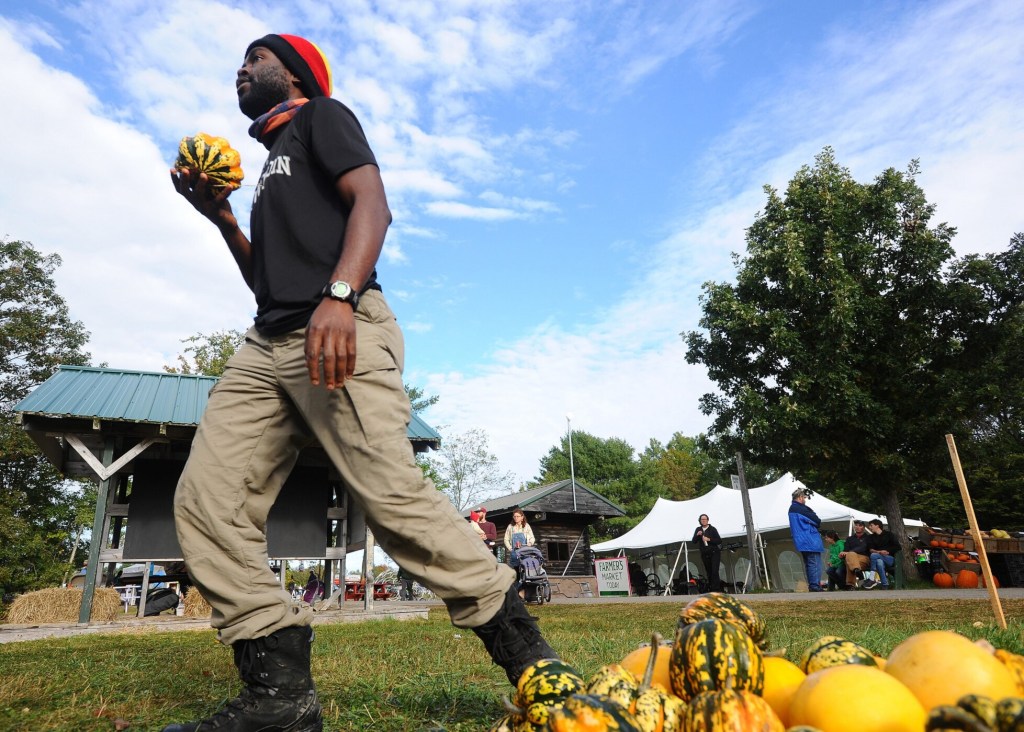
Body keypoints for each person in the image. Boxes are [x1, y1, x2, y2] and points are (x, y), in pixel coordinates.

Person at [166, 33, 557, 731]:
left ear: (295, 74)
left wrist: (340, 297)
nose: (241, 67)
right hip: (268, 341)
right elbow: (266, 279)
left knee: (392, 496)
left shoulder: (323, 117)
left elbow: (372, 204)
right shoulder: (266, 173)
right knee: (206, 499)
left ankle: (536, 664)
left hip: (337, 327)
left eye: (256, 58)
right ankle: (280, 699)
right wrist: (222, 217)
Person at [788, 487, 825, 592]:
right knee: (814, 563)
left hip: (801, 541)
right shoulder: (801, 509)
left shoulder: (791, 509)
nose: (805, 500)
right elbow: (817, 521)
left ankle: (812, 585)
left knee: (809, 563)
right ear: (800, 497)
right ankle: (815, 586)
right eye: (804, 497)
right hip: (810, 540)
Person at [504, 507, 535, 597]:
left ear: (522, 517)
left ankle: (523, 591)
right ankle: (517, 593)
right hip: (515, 553)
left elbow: (532, 537)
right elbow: (506, 539)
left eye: (518, 516)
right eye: (514, 516)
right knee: (516, 573)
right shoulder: (510, 527)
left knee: (525, 572)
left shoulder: (526, 526)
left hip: (525, 552)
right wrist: (510, 548)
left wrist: (530, 543)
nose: (516, 518)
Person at [862, 518, 901, 589]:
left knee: (874, 555)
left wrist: (887, 551)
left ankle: (871, 578)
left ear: (877, 526)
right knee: (878, 562)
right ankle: (885, 584)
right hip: (878, 558)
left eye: (871, 525)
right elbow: (871, 549)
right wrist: (880, 552)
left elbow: (898, 547)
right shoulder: (871, 537)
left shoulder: (889, 535)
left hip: (889, 559)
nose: (869, 527)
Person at [692, 514, 722, 593]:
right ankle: (711, 589)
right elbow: (693, 541)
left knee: (715, 571)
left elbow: (719, 540)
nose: (703, 521)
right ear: (700, 521)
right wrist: (697, 535)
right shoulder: (698, 529)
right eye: (702, 519)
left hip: (714, 552)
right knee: (709, 571)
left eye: (705, 519)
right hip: (705, 553)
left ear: (708, 520)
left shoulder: (712, 529)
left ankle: (716, 589)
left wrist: (709, 539)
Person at [839, 519, 871, 589]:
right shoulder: (849, 539)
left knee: (850, 557)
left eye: (860, 525)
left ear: (863, 527)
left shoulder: (868, 537)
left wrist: (849, 553)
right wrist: (841, 554)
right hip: (853, 561)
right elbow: (845, 551)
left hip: (864, 558)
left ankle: (850, 584)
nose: (857, 527)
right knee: (850, 560)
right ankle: (857, 571)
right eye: (856, 525)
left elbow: (864, 548)